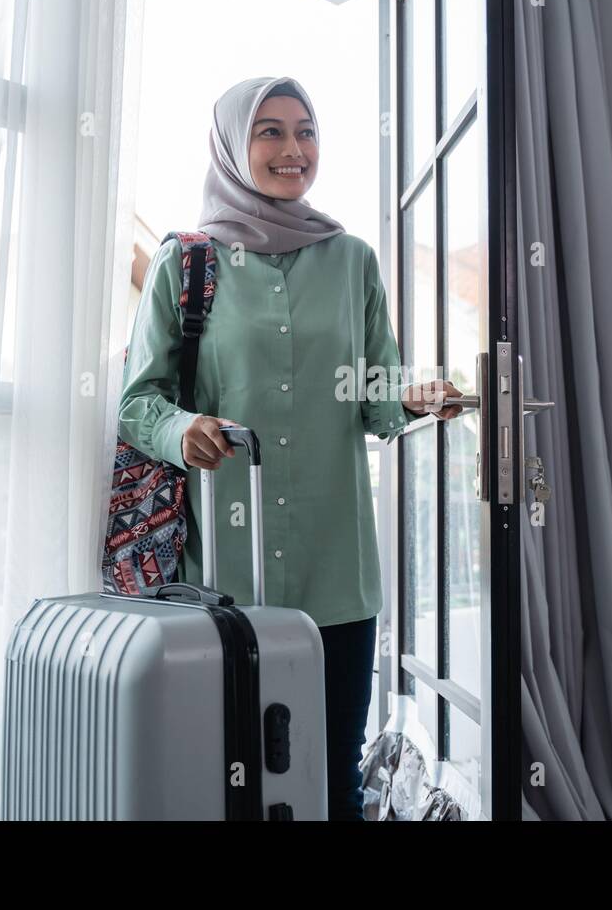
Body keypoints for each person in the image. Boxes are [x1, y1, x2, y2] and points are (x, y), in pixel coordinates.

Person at [117, 75, 462, 820]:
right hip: (221, 579)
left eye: (305, 130)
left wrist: (411, 395)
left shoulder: (353, 261)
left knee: (330, 780)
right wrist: (184, 431)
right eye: (269, 131)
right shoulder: (188, 264)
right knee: (225, 777)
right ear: (233, 147)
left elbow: (372, 398)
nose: (292, 148)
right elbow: (137, 403)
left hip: (338, 577)